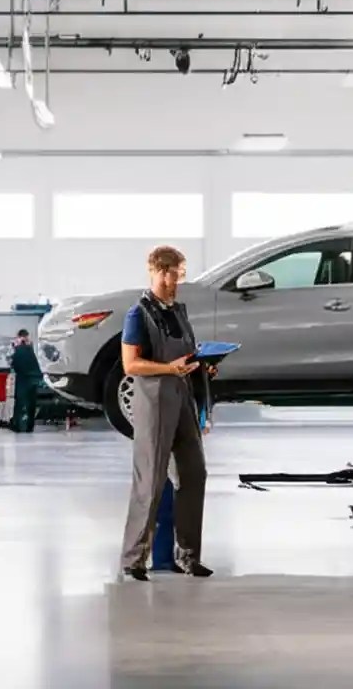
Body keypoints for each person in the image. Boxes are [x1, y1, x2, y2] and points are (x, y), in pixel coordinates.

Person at [119, 245, 212, 581]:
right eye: (173, 273)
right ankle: (134, 559)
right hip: (155, 399)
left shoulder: (179, 312)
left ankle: (189, 555)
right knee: (151, 479)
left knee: (195, 473)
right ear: (158, 270)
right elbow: (131, 364)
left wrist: (201, 366)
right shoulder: (137, 314)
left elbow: (186, 354)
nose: (177, 281)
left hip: (182, 395)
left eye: (180, 274)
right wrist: (168, 368)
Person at [9, 329, 42, 433]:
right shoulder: (30, 350)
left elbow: (14, 365)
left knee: (20, 403)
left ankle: (17, 425)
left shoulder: (17, 350)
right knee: (31, 403)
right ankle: (29, 426)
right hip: (33, 380)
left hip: (23, 380)